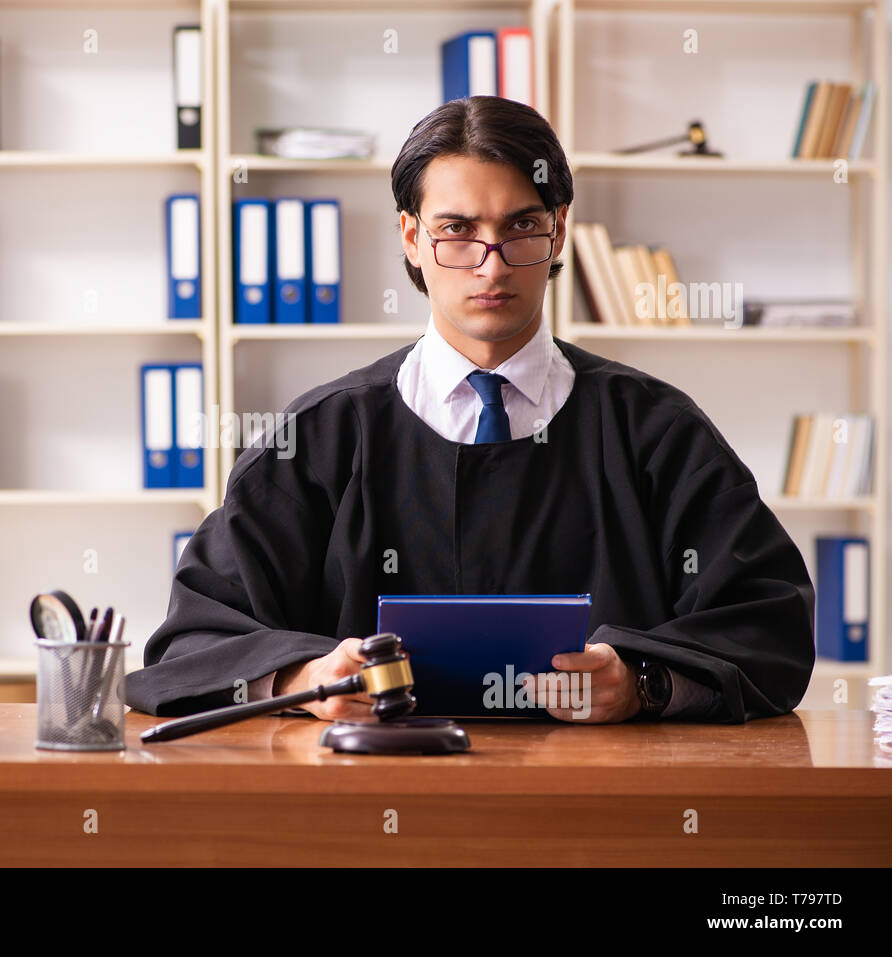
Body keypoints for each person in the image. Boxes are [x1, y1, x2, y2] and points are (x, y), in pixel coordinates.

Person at [126, 96, 815, 724]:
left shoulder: (659, 434)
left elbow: (771, 623)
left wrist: (645, 680)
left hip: (600, 815)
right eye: (457, 229)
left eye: (522, 226)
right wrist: (303, 679)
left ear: (560, 232)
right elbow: (190, 644)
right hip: (363, 810)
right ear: (410, 238)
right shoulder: (316, 440)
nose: (491, 265)